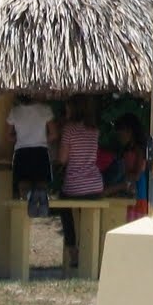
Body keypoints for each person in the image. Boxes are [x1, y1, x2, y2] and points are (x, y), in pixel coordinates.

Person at [56, 95, 104, 269]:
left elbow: (62, 159)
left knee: (63, 206)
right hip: (95, 185)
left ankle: (72, 249)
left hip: (75, 185)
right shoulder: (95, 130)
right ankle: (89, 248)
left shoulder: (69, 130)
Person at [7, 93, 58, 200]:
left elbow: (9, 136)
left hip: (21, 153)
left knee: (23, 188)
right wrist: (40, 139)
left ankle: (25, 208)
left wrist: (22, 138)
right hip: (40, 152)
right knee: (42, 188)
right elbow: (54, 134)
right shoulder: (45, 109)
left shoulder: (15, 111)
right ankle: (40, 208)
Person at [101, 114, 148, 204]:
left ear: (129, 131)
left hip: (137, 190)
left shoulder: (139, 149)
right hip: (128, 187)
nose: (119, 138)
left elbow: (137, 175)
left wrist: (120, 184)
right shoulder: (126, 150)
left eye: (120, 134)